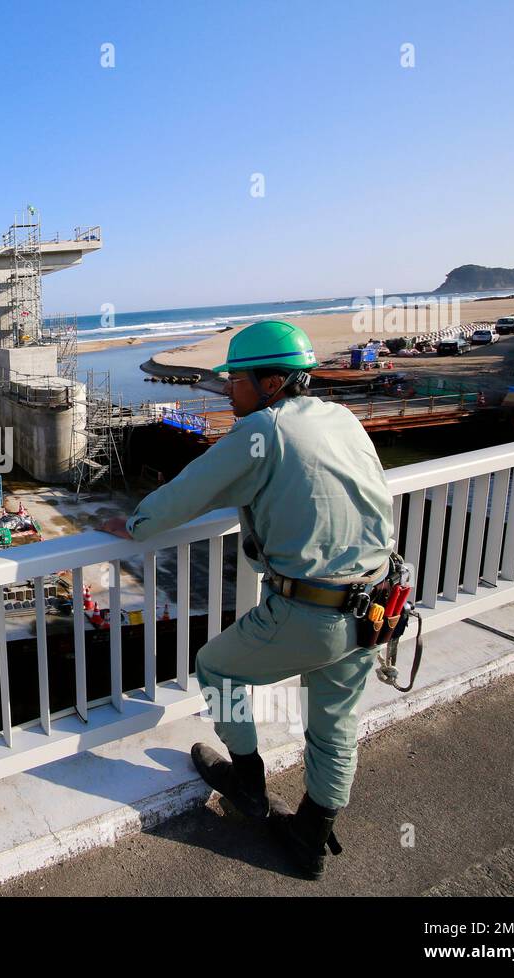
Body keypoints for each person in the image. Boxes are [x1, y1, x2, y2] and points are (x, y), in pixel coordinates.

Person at [103, 320, 394, 879]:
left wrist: (136, 523)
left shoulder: (263, 431)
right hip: (375, 605)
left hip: (311, 611)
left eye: (236, 379)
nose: (227, 388)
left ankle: (248, 781)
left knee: (216, 669)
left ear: (272, 383)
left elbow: (191, 489)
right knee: (333, 723)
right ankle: (311, 836)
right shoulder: (342, 418)